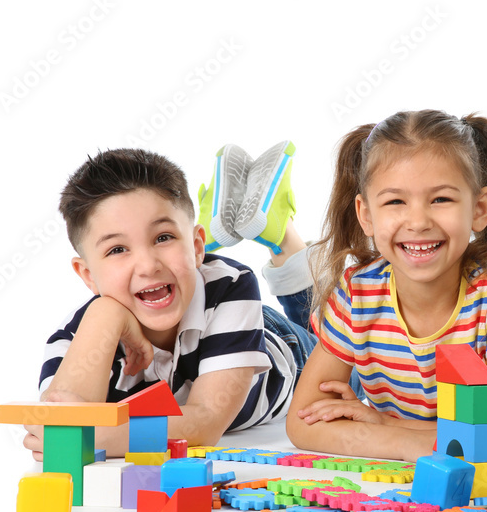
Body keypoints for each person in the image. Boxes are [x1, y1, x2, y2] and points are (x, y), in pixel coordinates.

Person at [25, 144, 307, 458]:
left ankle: (281, 234)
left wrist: (97, 438)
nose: (148, 266)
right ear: (88, 275)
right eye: (117, 249)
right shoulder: (76, 339)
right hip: (213, 317)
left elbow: (206, 423)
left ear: (198, 246)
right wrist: (105, 313)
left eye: (164, 237)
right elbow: (59, 428)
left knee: (339, 338)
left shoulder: (231, 285)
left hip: (288, 351)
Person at [285, 109, 487, 462]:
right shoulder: (358, 293)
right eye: (395, 202)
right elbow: (302, 422)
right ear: (366, 214)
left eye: (441, 199)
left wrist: (386, 426)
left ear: (479, 208)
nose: (417, 221)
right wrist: (407, 443)